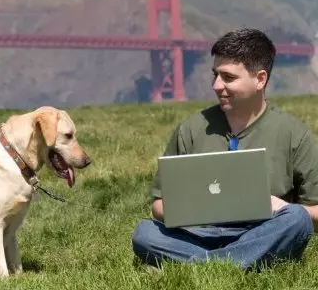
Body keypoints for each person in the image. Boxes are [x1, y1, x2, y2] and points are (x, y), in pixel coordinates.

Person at [132, 27, 318, 271]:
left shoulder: (295, 134)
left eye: (228, 77)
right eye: (215, 75)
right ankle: (240, 263)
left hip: (263, 231)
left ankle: (197, 264)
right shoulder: (190, 129)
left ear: (260, 79)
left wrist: (279, 206)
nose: (216, 85)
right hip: (197, 234)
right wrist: (190, 209)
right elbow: (158, 206)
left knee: (297, 220)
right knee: (144, 233)